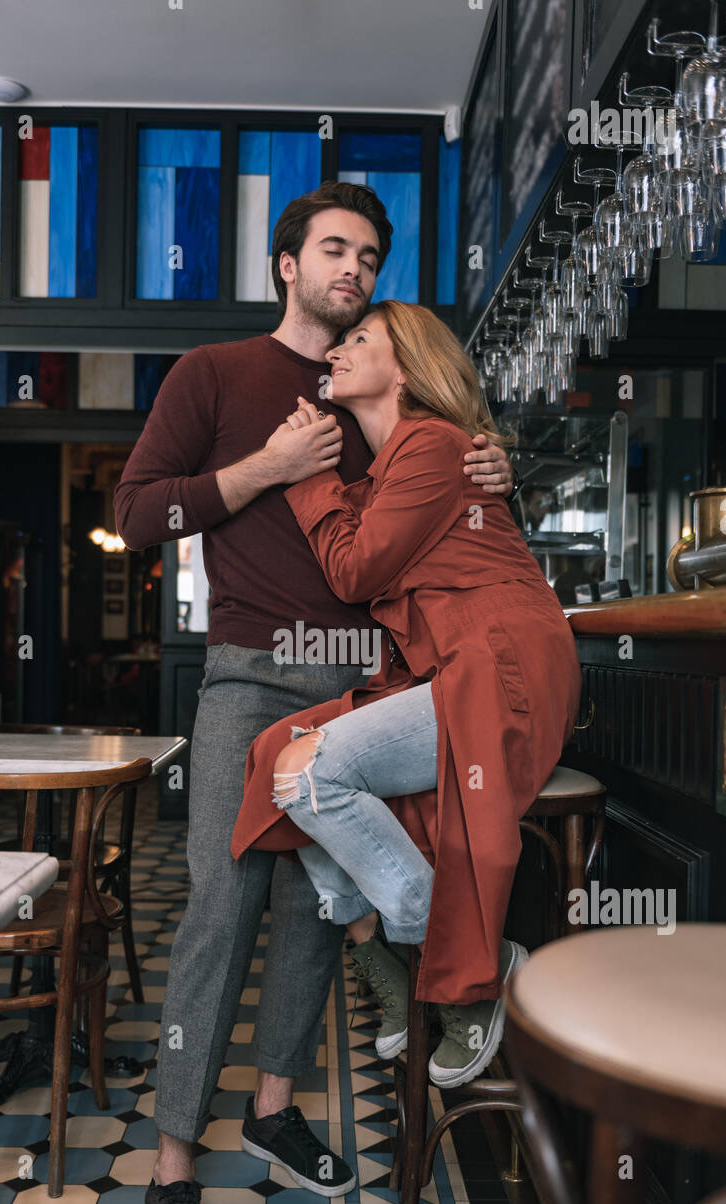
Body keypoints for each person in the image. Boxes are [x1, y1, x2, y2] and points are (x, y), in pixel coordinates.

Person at [114, 182, 515, 1204]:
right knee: (221, 909)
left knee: (315, 910)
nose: (355, 268)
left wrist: (495, 470)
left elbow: (450, 482)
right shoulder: (216, 374)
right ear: (286, 262)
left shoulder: (380, 377)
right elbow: (144, 512)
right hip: (247, 678)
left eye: (370, 255)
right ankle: (171, 1170)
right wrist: (263, 473)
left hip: (364, 685)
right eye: (334, 248)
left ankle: (276, 1108)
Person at [231, 301, 582, 1090]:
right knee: (273, 760)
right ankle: (388, 959)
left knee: (309, 773)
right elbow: (363, 552)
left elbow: (354, 574)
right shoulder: (399, 466)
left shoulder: (430, 444)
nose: (341, 348)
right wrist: (317, 478)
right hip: (449, 667)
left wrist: (310, 477)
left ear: (407, 365)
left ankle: (465, 963)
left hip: (501, 665)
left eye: (359, 339)